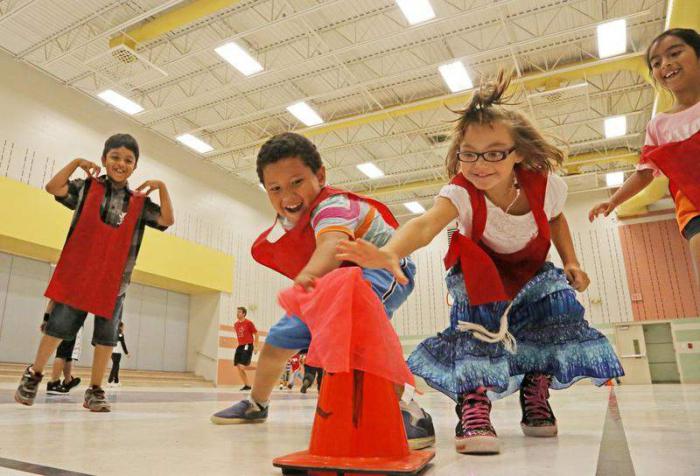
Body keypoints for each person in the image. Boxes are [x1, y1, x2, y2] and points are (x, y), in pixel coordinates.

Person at [337, 71, 624, 455]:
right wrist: (391, 252)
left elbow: (555, 217)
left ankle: (534, 392)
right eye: (469, 153)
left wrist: (571, 261)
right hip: (479, 272)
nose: (480, 164)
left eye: (494, 152)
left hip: (531, 269)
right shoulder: (460, 190)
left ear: (518, 152)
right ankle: (473, 405)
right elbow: (425, 224)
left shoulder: (545, 185)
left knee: (559, 308)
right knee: (476, 330)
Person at [210, 132, 435, 450]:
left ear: (320, 176)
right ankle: (256, 404)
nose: (287, 194)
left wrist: (309, 274)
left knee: (362, 329)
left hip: (383, 268)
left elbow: (332, 245)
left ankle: (409, 409)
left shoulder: (333, 206)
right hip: (332, 283)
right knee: (276, 341)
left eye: (297, 182)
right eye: (275, 188)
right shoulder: (286, 224)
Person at [15, 133, 174, 412]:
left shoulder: (138, 203)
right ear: (103, 159)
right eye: (115, 157)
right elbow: (54, 187)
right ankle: (34, 375)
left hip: (115, 283)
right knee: (57, 329)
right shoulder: (87, 188)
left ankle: (96, 389)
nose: (121, 164)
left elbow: (166, 220)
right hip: (78, 276)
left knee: (106, 338)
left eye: (128, 160)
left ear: (135, 166)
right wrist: (76, 162)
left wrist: (161, 187)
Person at [590, 28, 700, 281]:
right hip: (694, 210)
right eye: (656, 62)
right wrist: (613, 201)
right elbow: (644, 174)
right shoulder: (660, 125)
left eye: (675, 53)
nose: (666, 64)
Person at [41, 302, 82, 395]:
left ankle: (68, 381)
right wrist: (46, 320)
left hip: (64, 321)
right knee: (62, 353)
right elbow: (52, 301)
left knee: (67, 353)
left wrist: (46, 319)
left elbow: (51, 302)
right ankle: (54, 382)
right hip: (68, 322)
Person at [233, 306, 259, 391]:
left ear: (244, 314)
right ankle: (247, 385)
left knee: (242, 366)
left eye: (239, 312)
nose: (238, 313)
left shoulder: (249, 323)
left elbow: (256, 333)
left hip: (248, 345)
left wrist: (256, 346)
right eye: (237, 312)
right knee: (238, 366)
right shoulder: (236, 324)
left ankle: (258, 368)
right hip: (240, 346)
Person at [108, 321, 129, 386]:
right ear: (120, 327)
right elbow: (123, 344)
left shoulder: (113, 332)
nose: (123, 328)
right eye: (123, 326)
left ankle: (116, 381)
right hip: (117, 352)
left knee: (116, 365)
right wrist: (126, 353)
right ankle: (109, 381)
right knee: (115, 366)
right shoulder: (120, 334)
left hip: (112, 351)